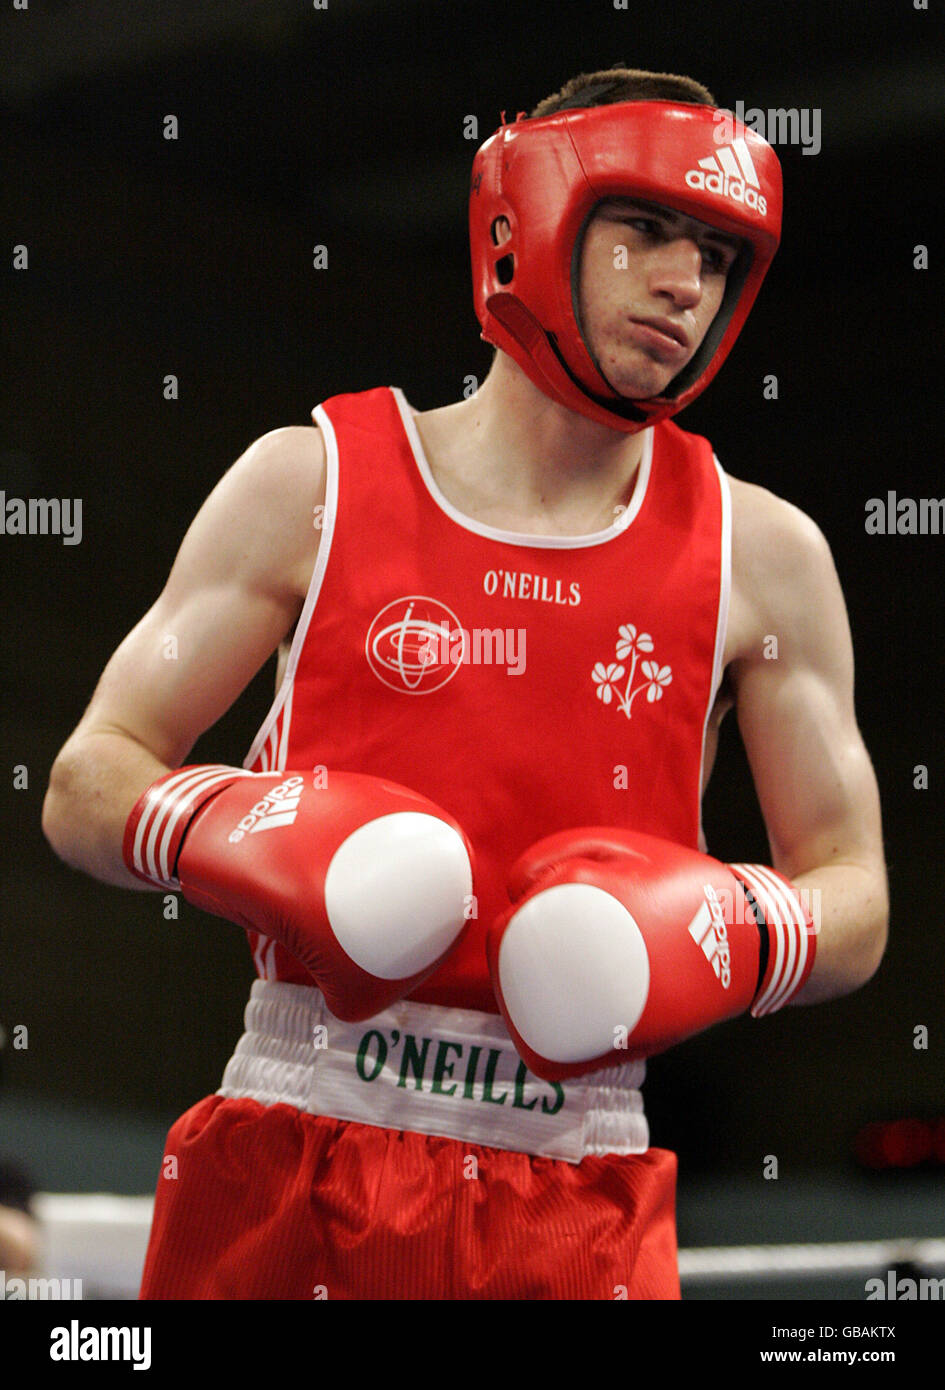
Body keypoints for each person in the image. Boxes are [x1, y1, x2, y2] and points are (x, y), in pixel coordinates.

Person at [42, 66, 888, 1300]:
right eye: (646, 228)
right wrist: (249, 827)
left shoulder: (762, 553)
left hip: (579, 1183)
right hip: (299, 1137)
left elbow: (855, 896)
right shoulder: (312, 483)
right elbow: (86, 779)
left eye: (715, 254)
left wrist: (725, 927)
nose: (684, 284)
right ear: (533, 218)